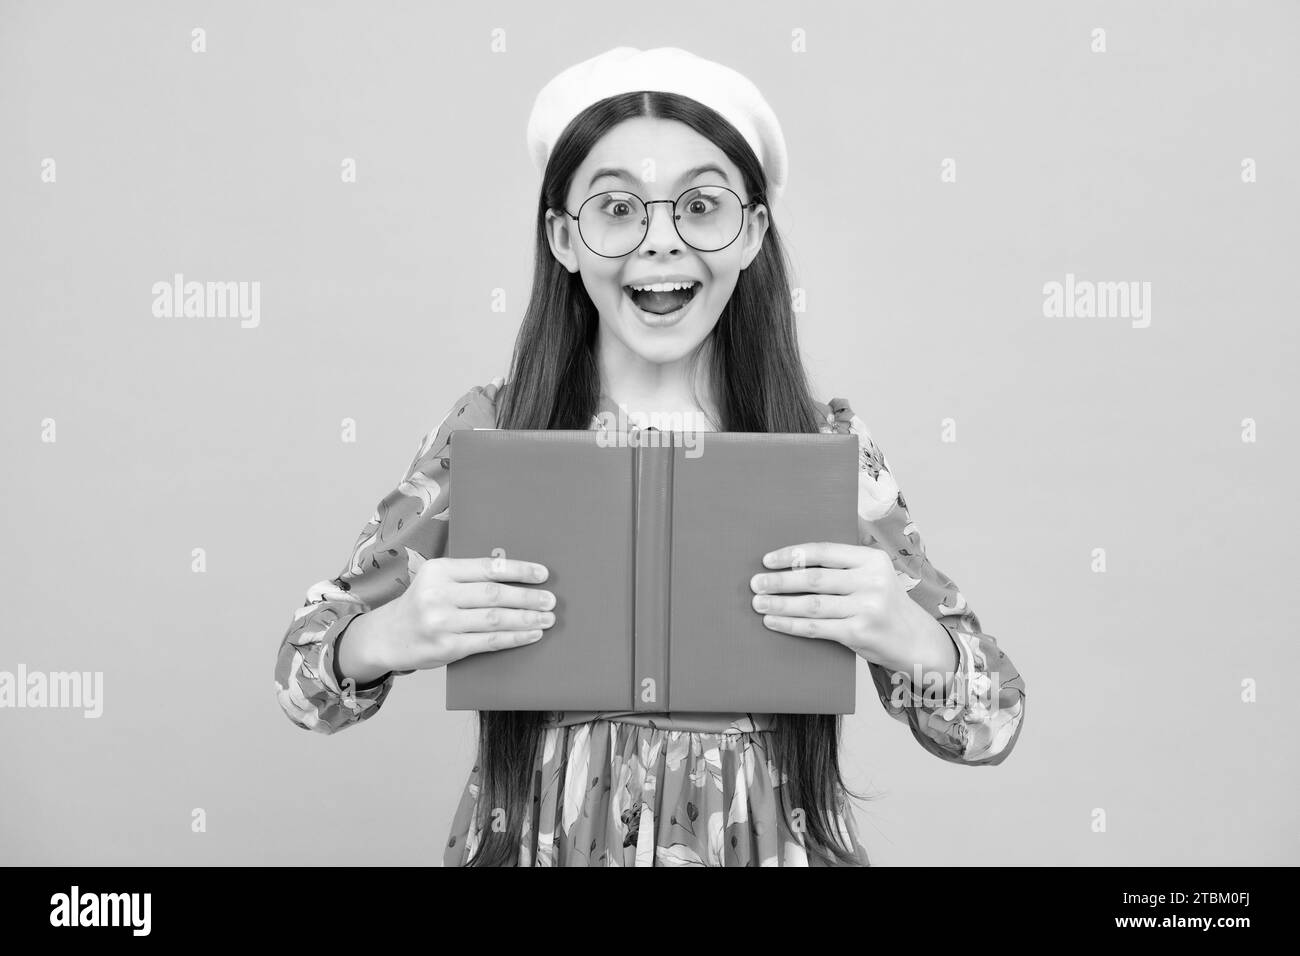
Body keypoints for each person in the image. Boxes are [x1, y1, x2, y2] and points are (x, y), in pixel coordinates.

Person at [274, 46, 1026, 867]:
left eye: (701, 205)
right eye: (618, 208)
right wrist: (387, 635)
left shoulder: (822, 447)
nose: (660, 241)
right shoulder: (490, 430)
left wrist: (911, 636)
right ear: (563, 236)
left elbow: (990, 727)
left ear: (753, 234)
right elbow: (305, 681)